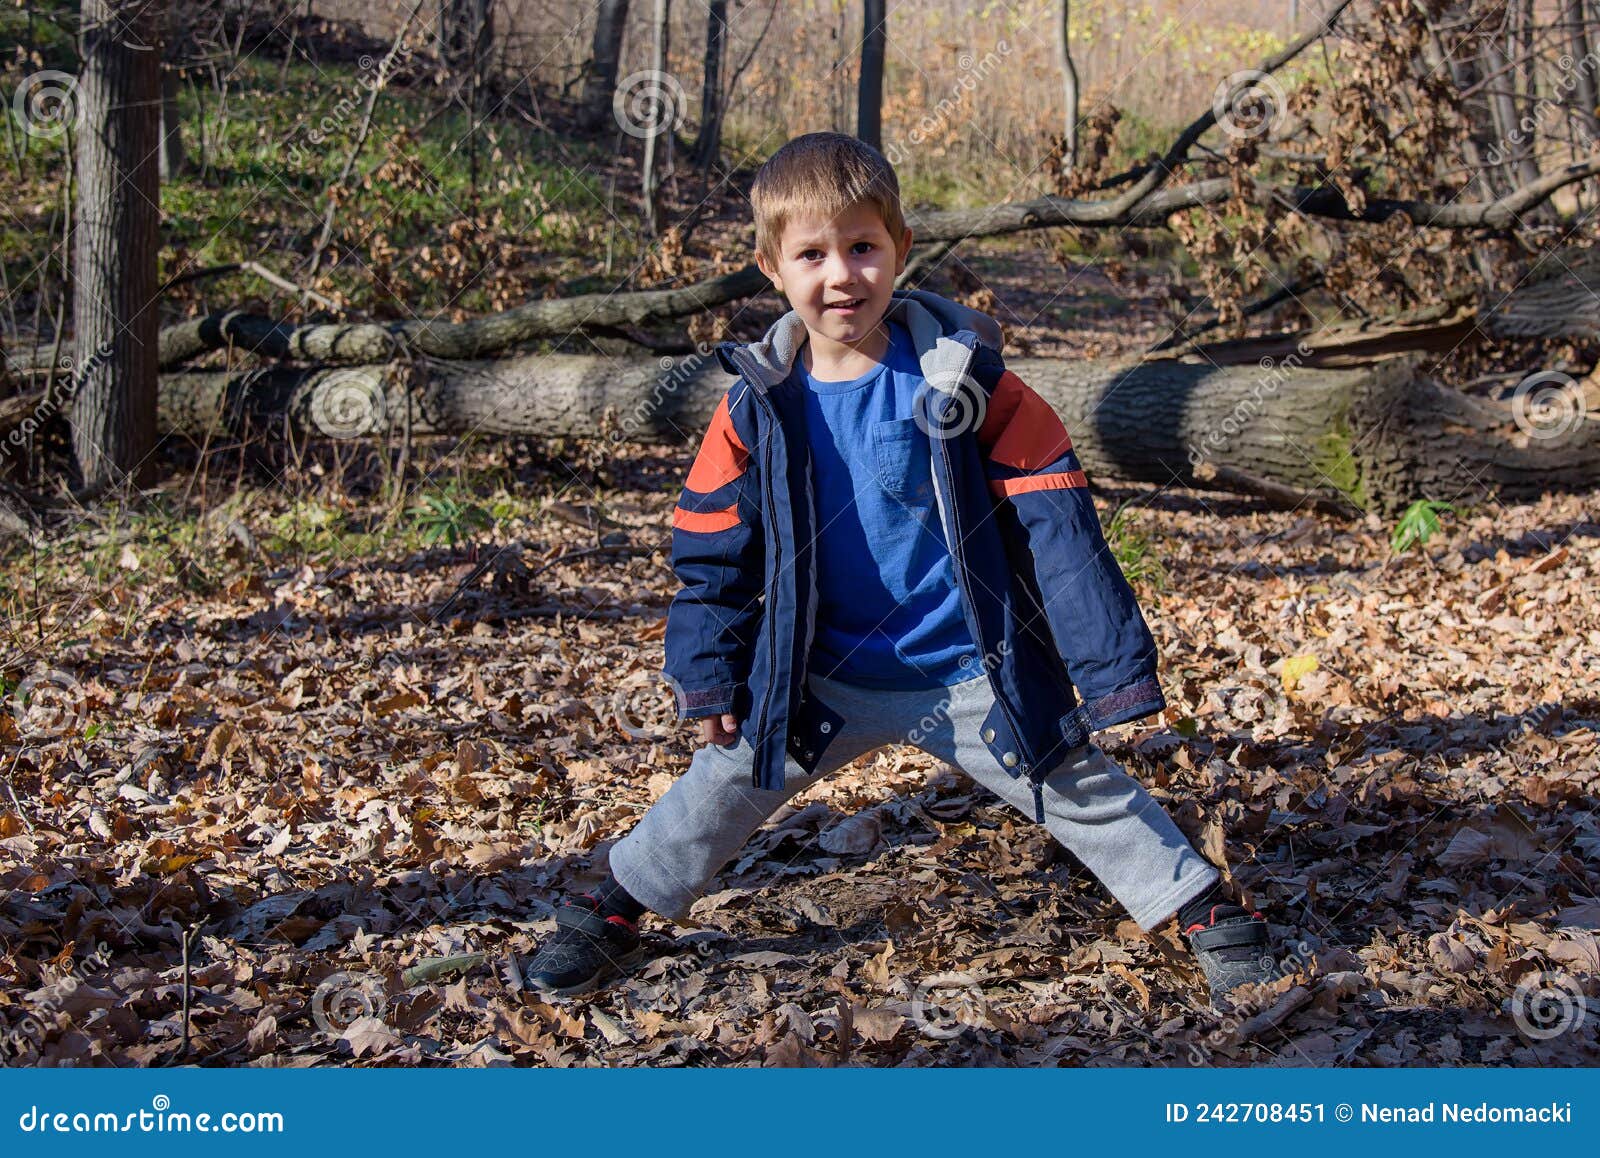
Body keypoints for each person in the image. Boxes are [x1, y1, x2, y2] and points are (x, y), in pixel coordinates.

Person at [525, 131, 1281, 1012]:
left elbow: (1061, 528)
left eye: (861, 247)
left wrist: (1110, 677)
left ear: (899, 253)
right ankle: (616, 907)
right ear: (772, 267)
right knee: (720, 785)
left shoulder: (966, 384)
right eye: (812, 253)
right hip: (818, 678)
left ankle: (1201, 908)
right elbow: (709, 553)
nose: (840, 274)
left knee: (1074, 784)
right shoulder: (753, 406)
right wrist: (706, 674)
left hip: (967, 673)